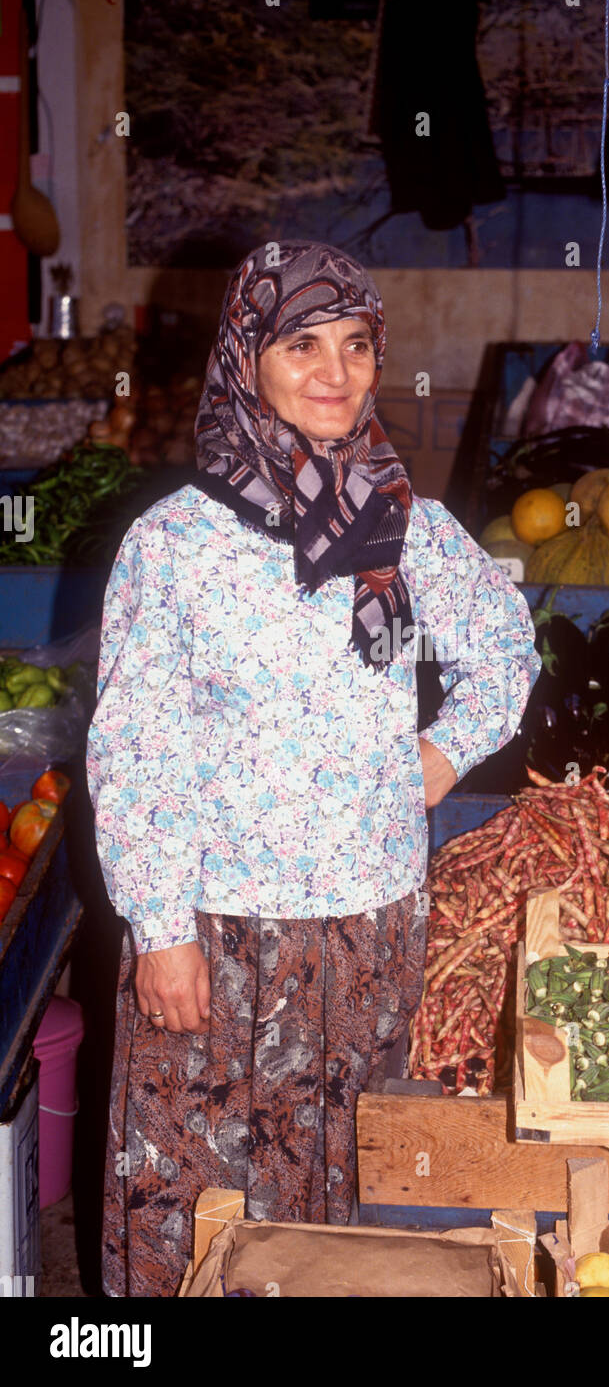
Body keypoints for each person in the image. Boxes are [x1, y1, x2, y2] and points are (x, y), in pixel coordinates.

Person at [86, 239, 541, 1297]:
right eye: (303, 344)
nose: (335, 372)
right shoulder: (175, 546)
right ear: (249, 361)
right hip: (219, 933)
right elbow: (137, 742)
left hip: (365, 932)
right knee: (195, 1202)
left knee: (343, 1211)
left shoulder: (407, 526)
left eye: (357, 345)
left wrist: (438, 754)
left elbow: (506, 648)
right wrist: (159, 927)